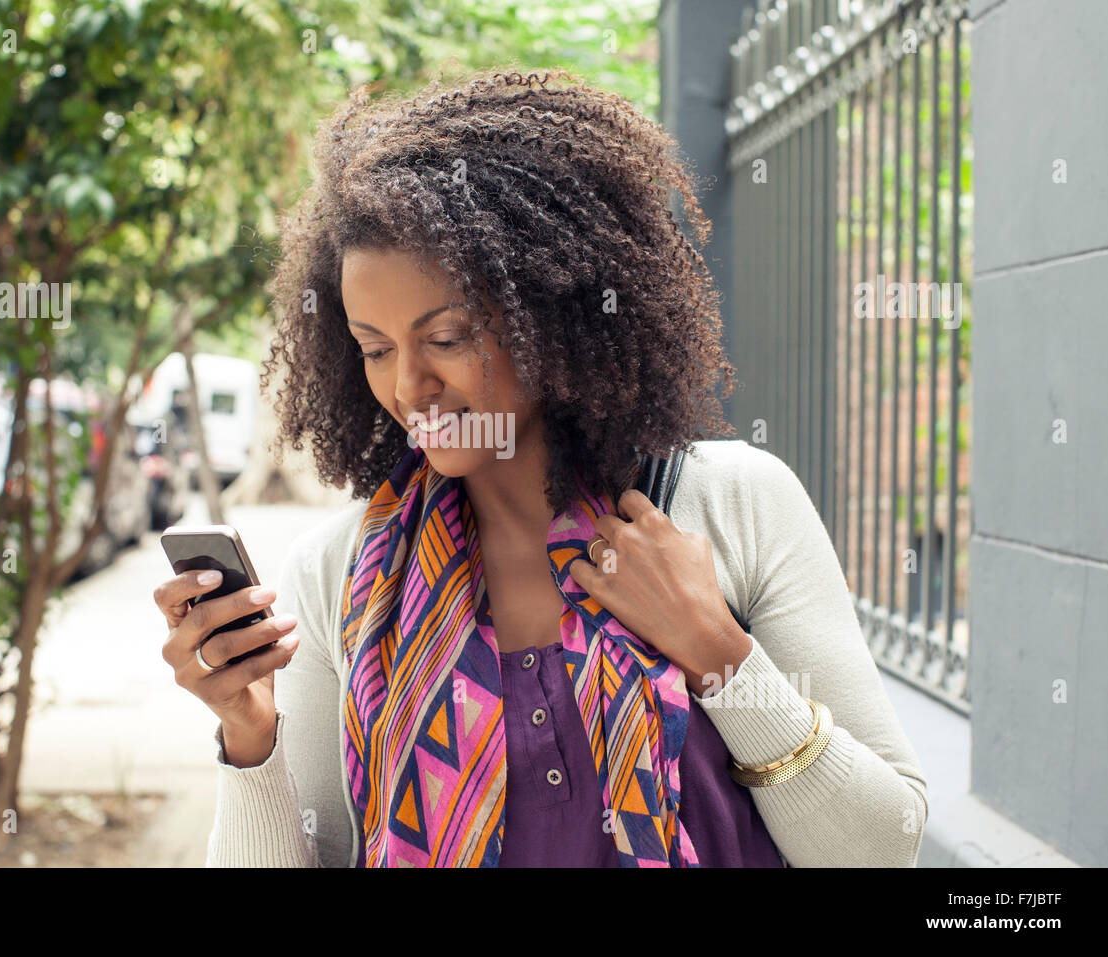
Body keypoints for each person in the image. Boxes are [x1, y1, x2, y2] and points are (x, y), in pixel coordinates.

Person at [153, 67, 928, 867]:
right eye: (375, 349)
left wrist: (719, 653)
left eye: (446, 338)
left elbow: (883, 846)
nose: (408, 386)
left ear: (551, 311)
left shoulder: (736, 506)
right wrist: (251, 739)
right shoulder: (340, 574)